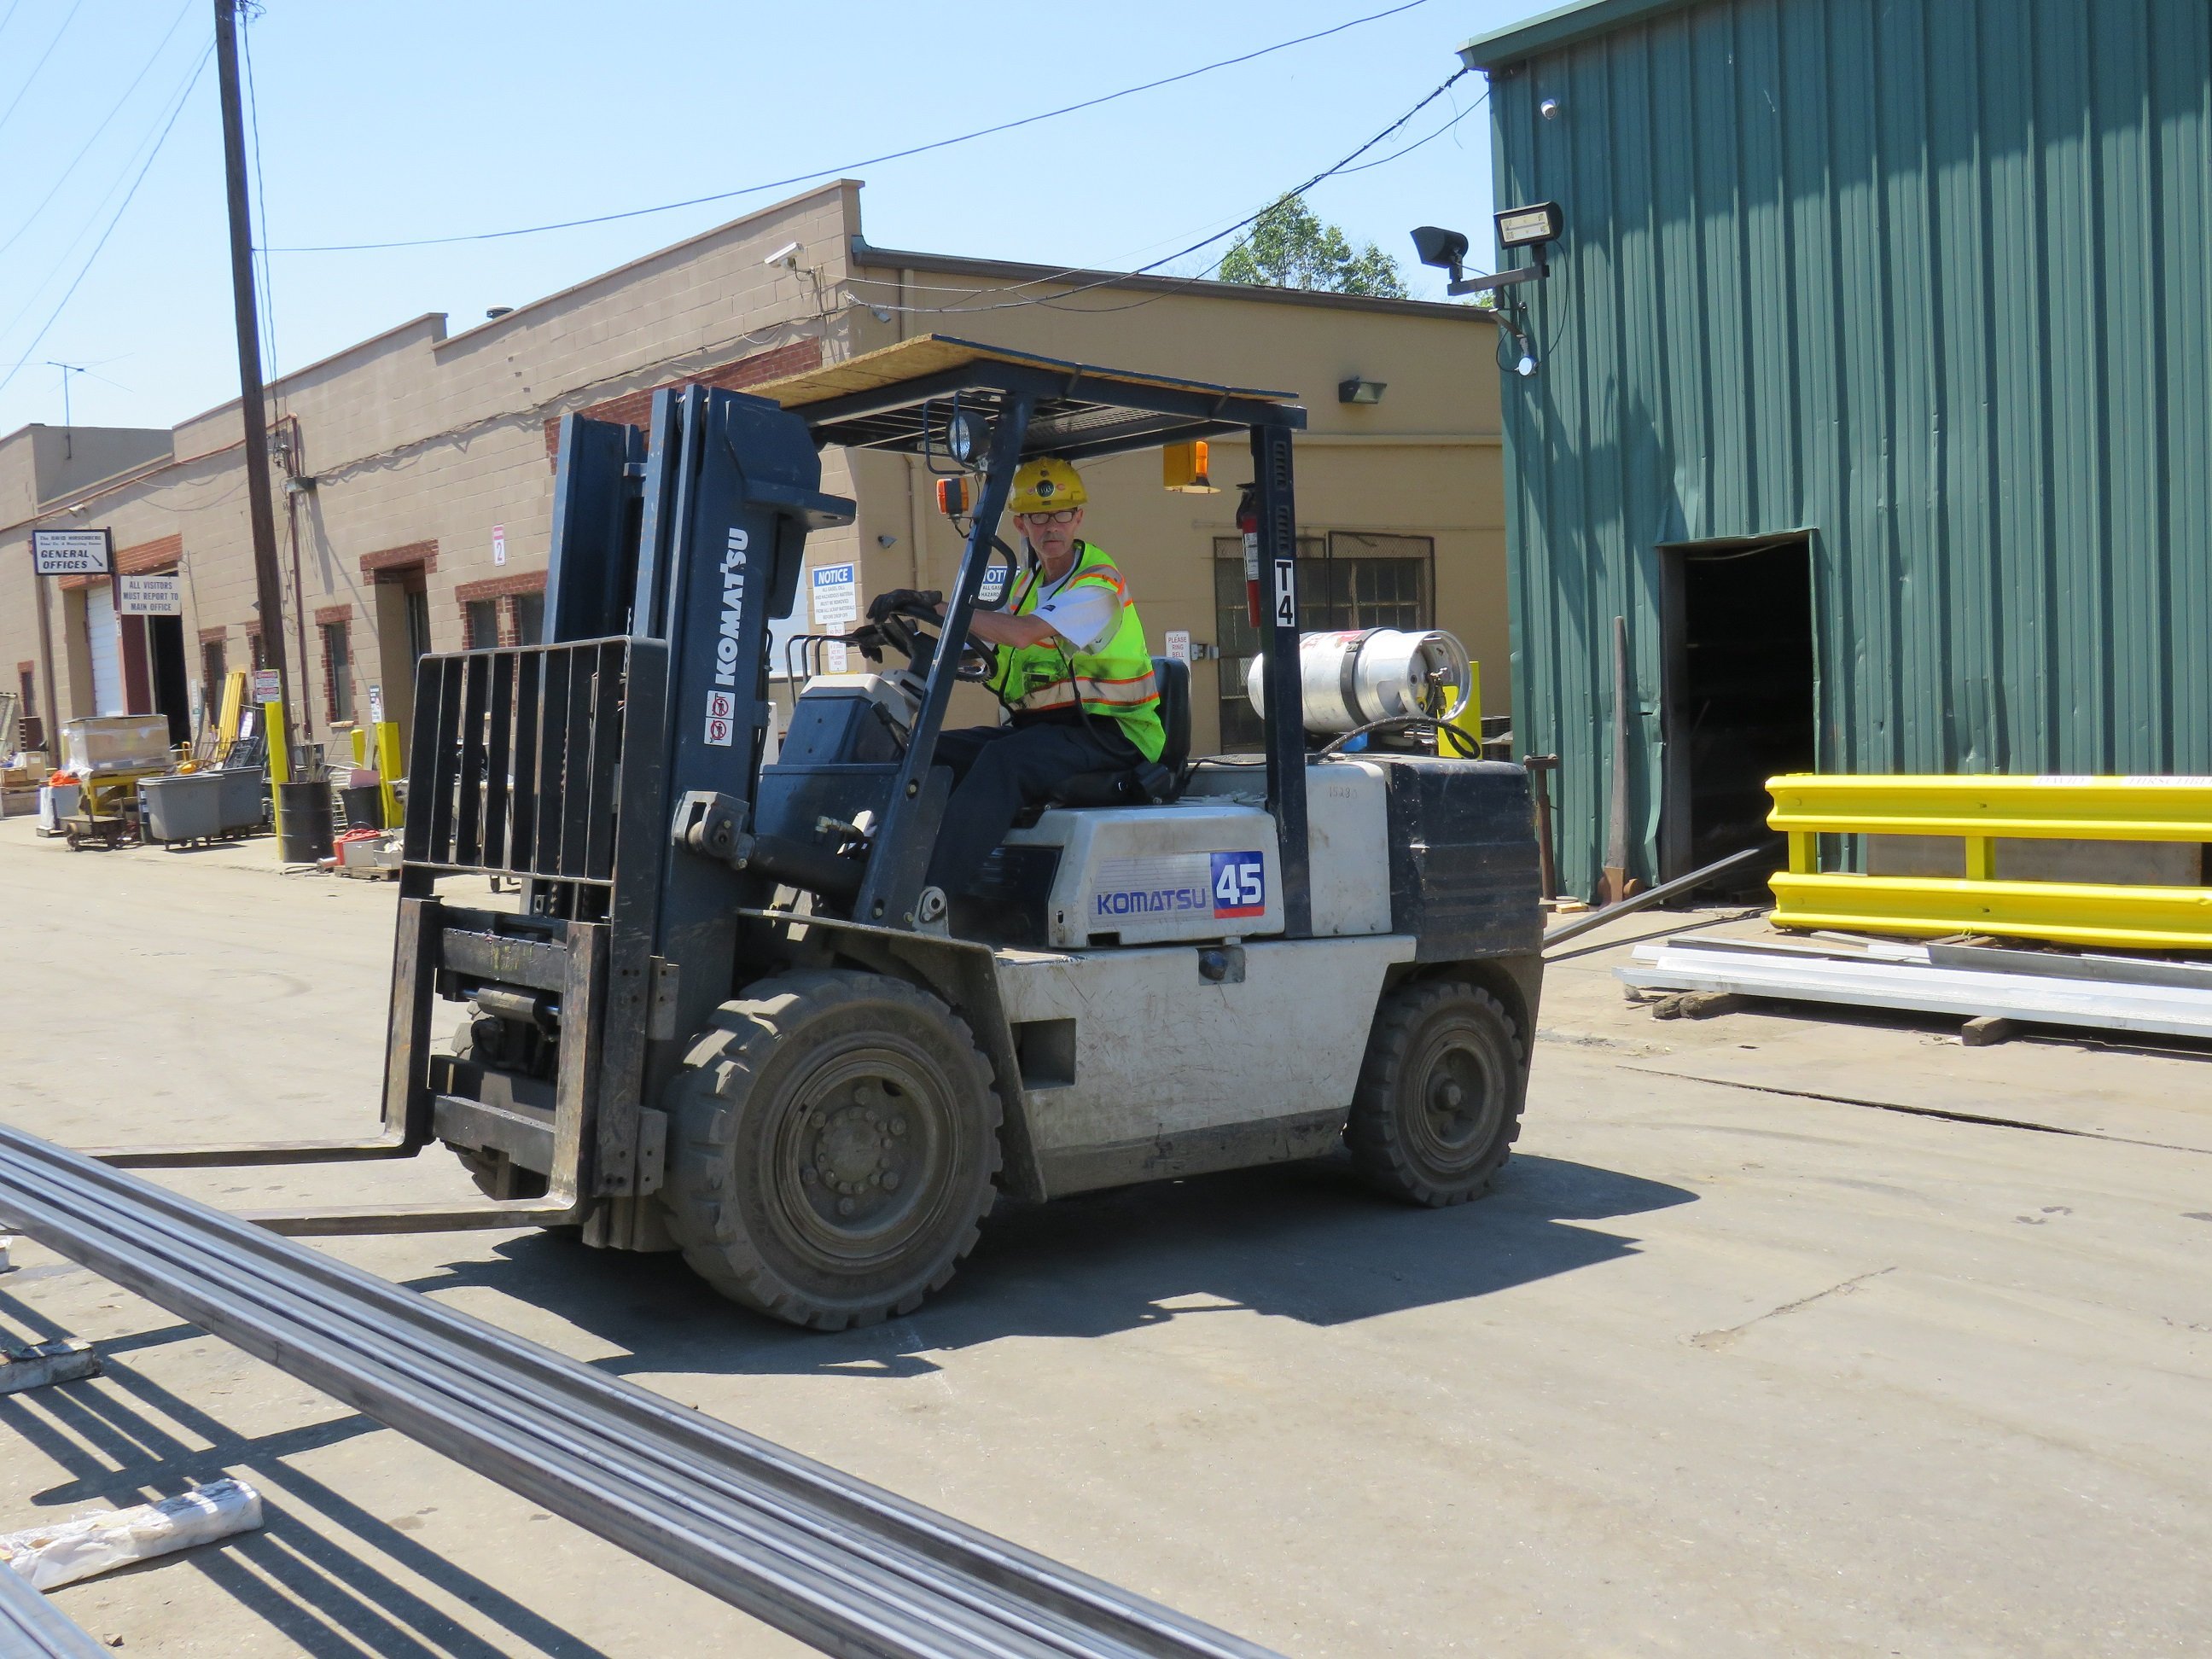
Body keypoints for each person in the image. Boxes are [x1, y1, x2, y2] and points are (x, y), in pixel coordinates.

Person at [895, 456, 1164, 900]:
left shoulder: (1097, 585)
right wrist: (911, 628)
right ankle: (880, 863)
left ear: (1078, 517)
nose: (1051, 526)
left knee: (1006, 762)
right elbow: (984, 641)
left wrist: (943, 610)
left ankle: (925, 895)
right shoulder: (1025, 588)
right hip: (1050, 730)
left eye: (1062, 514)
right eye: (1038, 517)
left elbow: (1020, 636)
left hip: (1114, 734)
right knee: (926, 749)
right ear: (1021, 526)